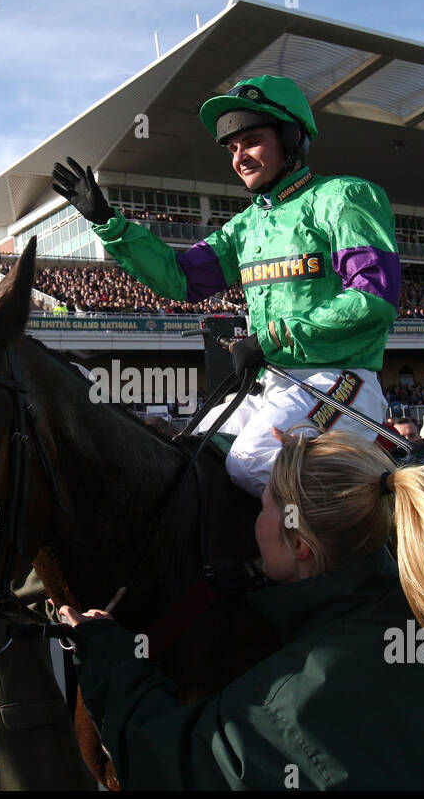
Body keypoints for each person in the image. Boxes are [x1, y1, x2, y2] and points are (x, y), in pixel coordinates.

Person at [60, 427, 424, 790]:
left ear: (300, 545)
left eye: (261, 508)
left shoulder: (296, 698)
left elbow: (171, 765)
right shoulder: (419, 609)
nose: (253, 524)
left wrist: (108, 656)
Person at [52, 75, 399, 496]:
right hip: (274, 386)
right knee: (187, 450)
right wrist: (109, 223)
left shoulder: (344, 197)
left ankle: (356, 560)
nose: (240, 158)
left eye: (251, 141)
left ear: (292, 137)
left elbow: (373, 299)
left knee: (249, 465)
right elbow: (180, 278)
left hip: (340, 382)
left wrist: (273, 338)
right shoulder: (244, 227)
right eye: (232, 149)